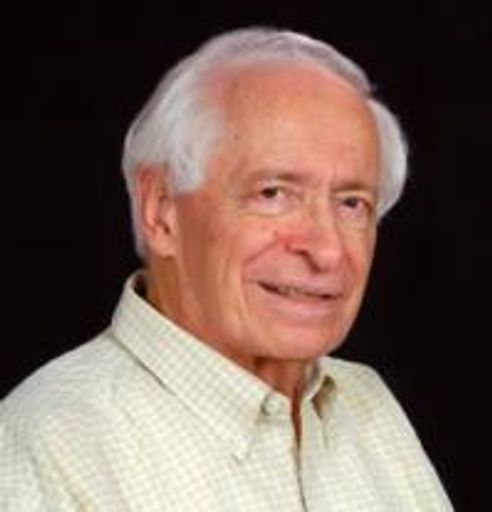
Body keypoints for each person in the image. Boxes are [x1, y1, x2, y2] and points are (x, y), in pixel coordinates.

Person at [0, 27, 453, 510]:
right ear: (161, 211)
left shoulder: (367, 405)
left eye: (351, 203)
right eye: (273, 194)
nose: (327, 251)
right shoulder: (47, 449)